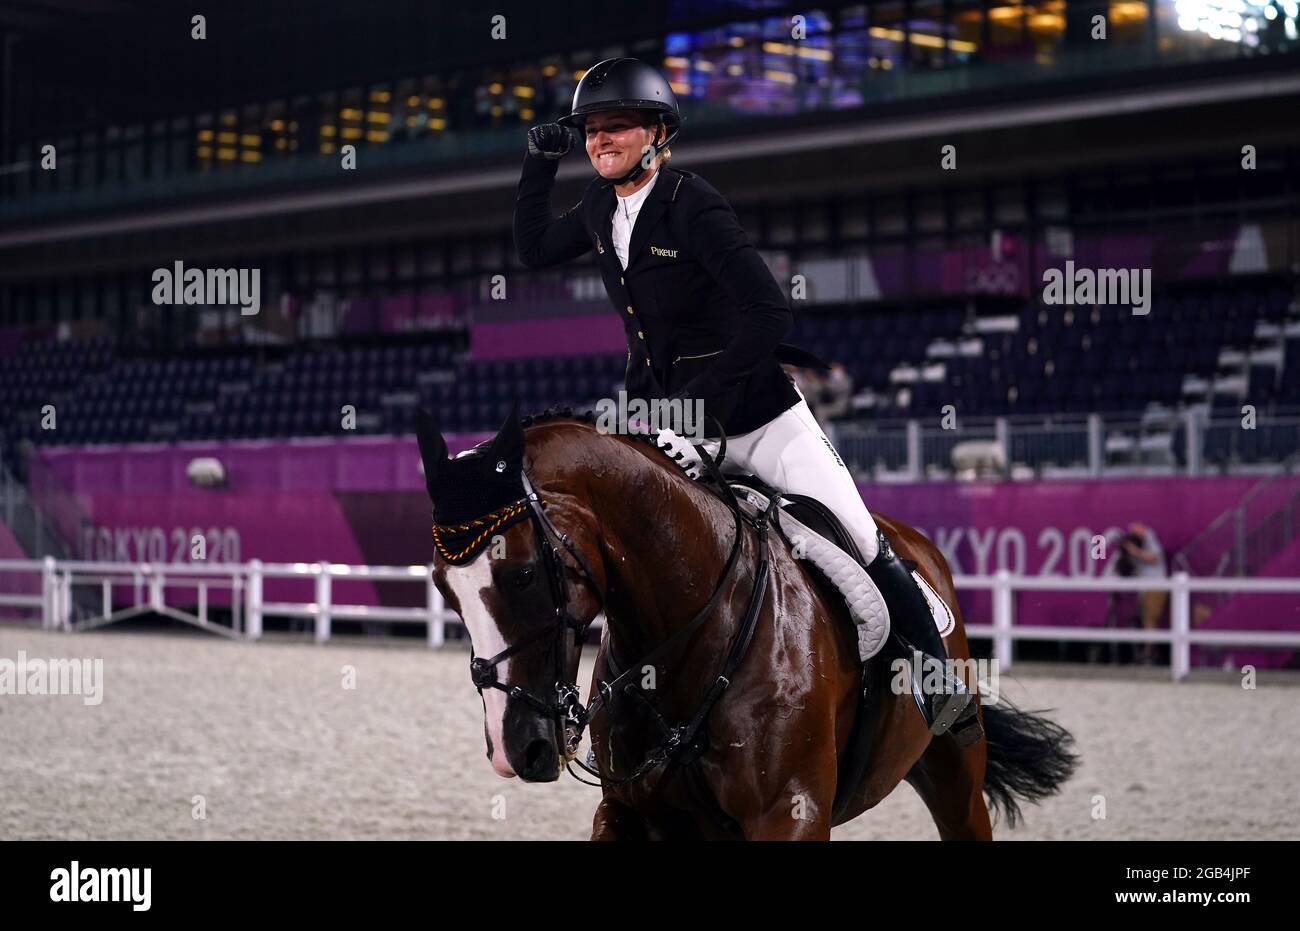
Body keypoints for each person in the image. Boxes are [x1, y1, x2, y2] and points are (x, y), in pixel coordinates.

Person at [512, 58, 973, 737]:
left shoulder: (692, 202)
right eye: (590, 130)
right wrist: (537, 165)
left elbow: (768, 313)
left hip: (760, 419)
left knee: (860, 536)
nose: (601, 140)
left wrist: (702, 402)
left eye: (617, 126)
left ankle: (941, 691)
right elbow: (530, 248)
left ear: (657, 133)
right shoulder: (596, 209)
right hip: (668, 423)